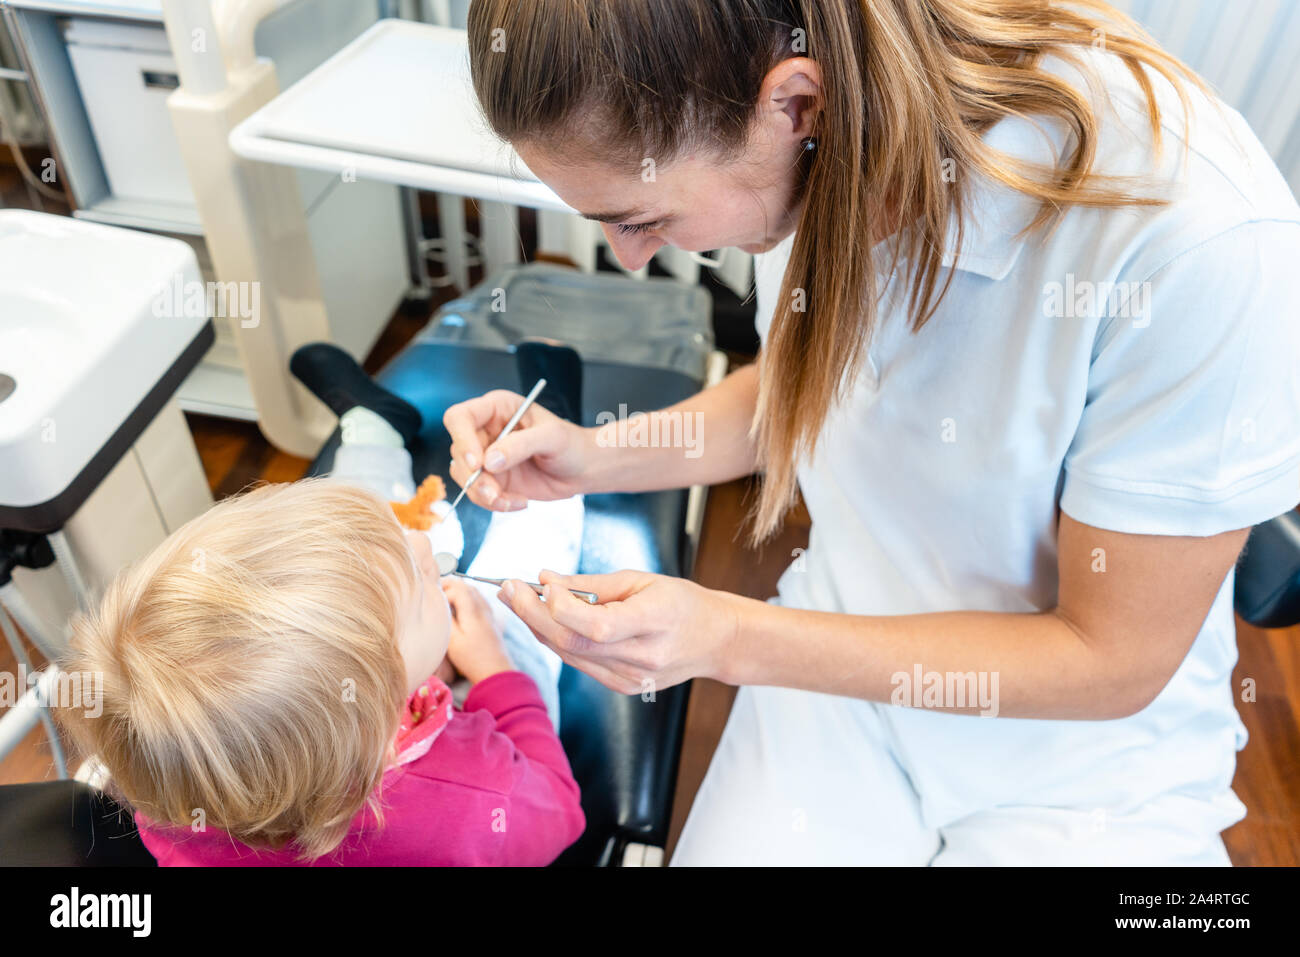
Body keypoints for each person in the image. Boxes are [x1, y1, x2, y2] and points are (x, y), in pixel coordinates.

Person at [443, 0, 1300, 865]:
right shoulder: (799, 112)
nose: (632, 258)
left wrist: (728, 639)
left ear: (796, 106)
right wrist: (593, 455)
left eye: (640, 217)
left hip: (1081, 755)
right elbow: (802, 390)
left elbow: (1110, 657)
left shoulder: (1200, 245)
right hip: (841, 662)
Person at [55, 371, 587, 865]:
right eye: (422, 584)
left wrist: (404, 634)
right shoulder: (474, 798)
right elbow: (560, 810)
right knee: (514, 626)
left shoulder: (176, 779)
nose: (424, 542)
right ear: (378, 726)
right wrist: (496, 671)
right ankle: (559, 464)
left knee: (358, 528)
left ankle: (372, 425)